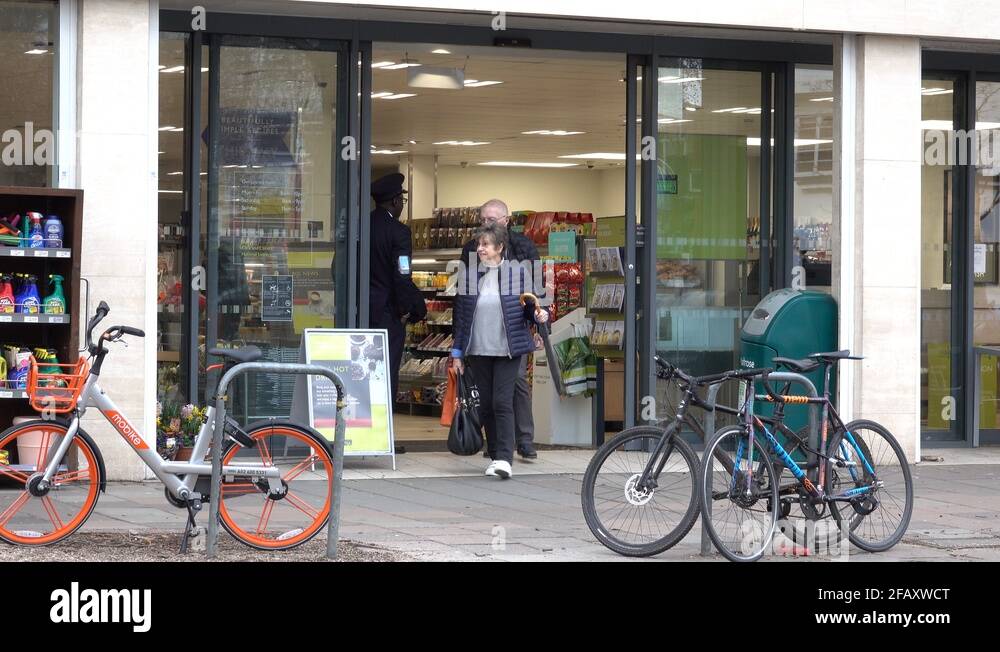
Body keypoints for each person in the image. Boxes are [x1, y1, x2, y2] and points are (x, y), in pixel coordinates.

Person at [451, 223, 549, 479]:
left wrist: (538, 315)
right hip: (479, 349)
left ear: (500, 247)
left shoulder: (517, 274)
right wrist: (457, 354)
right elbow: (461, 317)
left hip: (508, 348)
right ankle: (495, 455)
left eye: (485, 244)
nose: (480, 248)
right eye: (479, 244)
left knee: (501, 401)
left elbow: (528, 306)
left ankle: (505, 458)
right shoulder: (470, 276)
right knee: (485, 405)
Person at [368, 173, 427, 398]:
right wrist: (405, 310)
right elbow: (402, 275)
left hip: (362, 312)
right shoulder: (399, 233)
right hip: (387, 314)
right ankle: (385, 425)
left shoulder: (362, 226)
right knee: (387, 371)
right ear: (395, 201)